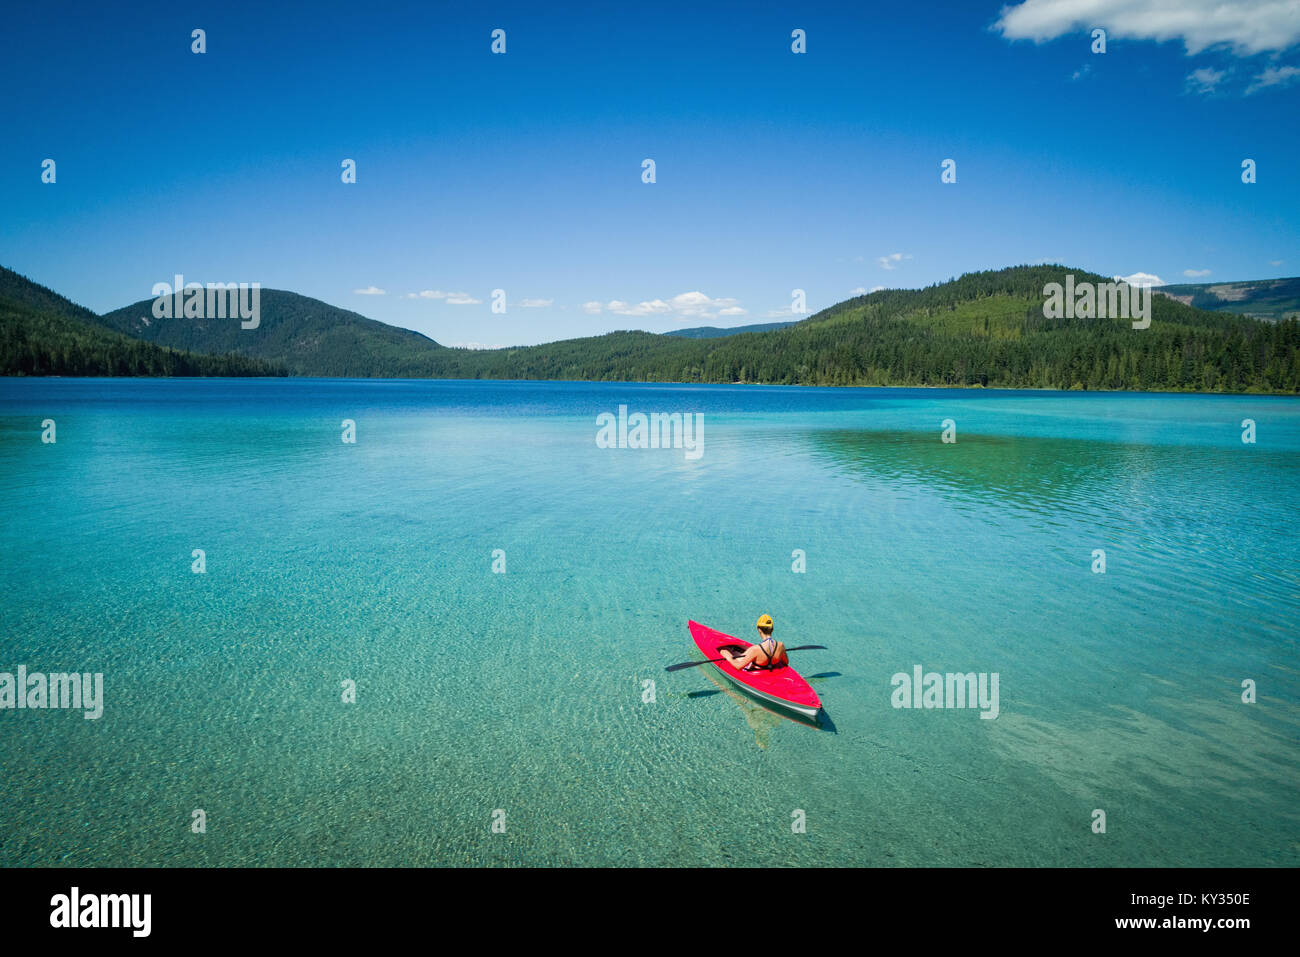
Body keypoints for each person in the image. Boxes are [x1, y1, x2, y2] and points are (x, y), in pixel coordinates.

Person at [719, 615, 788, 671]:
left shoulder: (755, 649)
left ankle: (731, 651)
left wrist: (728, 657)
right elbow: (785, 662)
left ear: (759, 630)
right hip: (769, 669)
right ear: (772, 629)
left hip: (755, 671)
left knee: (729, 653)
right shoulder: (781, 645)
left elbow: (738, 667)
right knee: (745, 653)